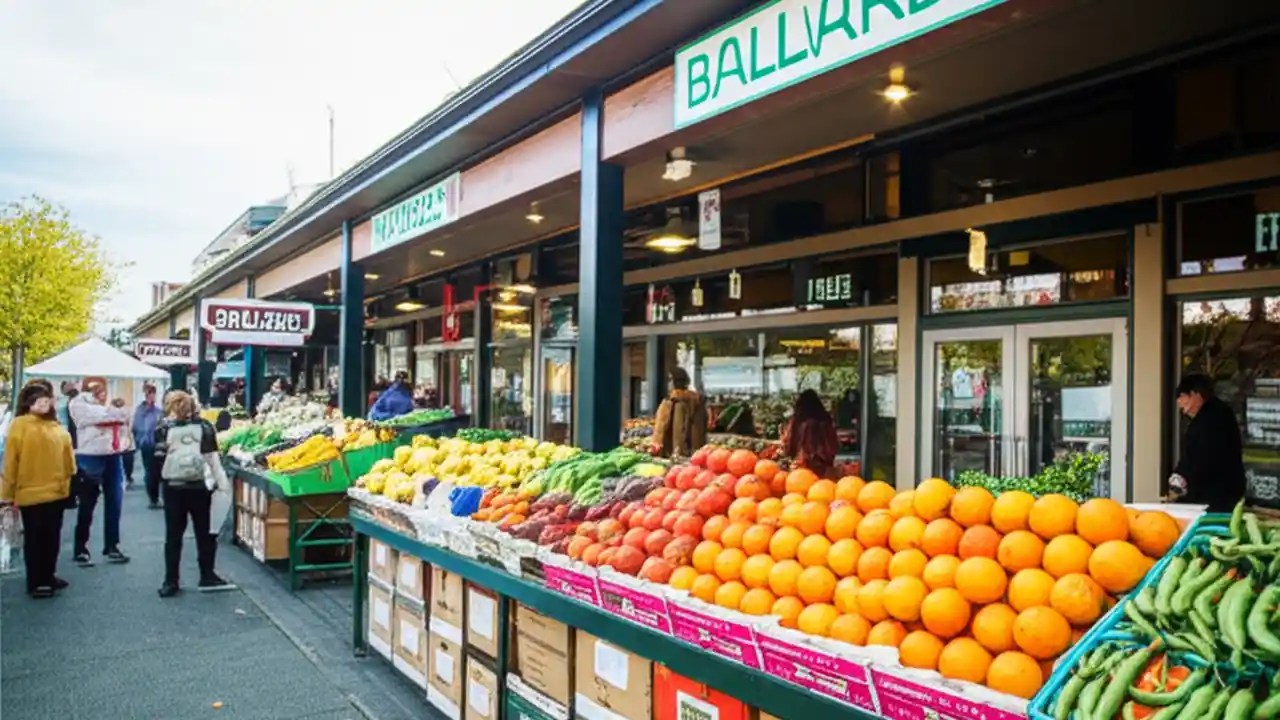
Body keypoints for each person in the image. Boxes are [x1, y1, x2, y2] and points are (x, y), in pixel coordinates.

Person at [152, 390, 234, 597]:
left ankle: (171, 581)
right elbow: (213, 460)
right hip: (199, 487)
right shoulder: (205, 427)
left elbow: (157, 459)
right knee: (205, 533)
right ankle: (207, 575)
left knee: (173, 535)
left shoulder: (162, 428)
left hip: (173, 487)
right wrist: (223, 486)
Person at [2, 381, 76, 597]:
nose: (45, 403)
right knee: (38, 539)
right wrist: (6, 495)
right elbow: (11, 462)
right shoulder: (22, 425)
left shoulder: (53, 425)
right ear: (29, 403)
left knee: (49, 538)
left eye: (46, 400)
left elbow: (68, 458)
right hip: (35, 492)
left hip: (52, 491)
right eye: (39, 400)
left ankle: (46, 576)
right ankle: (37, 580)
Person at [68, 378, 131, 566]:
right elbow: (86, 419)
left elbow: (125, 418)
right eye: (95, 387)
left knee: (115, 501)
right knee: (88, 502)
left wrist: (115, 414)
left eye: (102, 387)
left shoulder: (107, 404)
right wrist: (114, 414)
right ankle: (81, 547)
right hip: (90, 454)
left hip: (112, 453)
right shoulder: (79, 402)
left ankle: (112, 545)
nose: (100, 391)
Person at [1170, 374, 1247, 513]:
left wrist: (1181, 478)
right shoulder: (1218, 413)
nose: (1179, 402)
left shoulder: (1209, 419)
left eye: (1181, 396)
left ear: (1195, 394)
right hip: (1223, 491)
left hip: (1213, 496)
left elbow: (1199, 457)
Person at [781, 389, 840, 478]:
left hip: (800, 471)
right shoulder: (825, 421)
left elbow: (788, 446)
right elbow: (833, 447)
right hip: (824, 472)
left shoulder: (797, 421)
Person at [652, 368, 708, 458]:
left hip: (675, 451)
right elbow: (704, 425)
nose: (668, 383)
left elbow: (661, 427)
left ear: (675, 381)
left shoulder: (671, 402)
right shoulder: (698, 400)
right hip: (697, 452)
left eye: (670, 379)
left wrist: (656, 444)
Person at [132, 383, 164, 509]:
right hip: (147, 444)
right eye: (149, 394)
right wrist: (140, 440)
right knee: (150, 471)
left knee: (156, 472)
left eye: (153, 394)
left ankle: (156, 497)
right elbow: (138, 427)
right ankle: (153, 498)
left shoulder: (158, 411)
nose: (151, 397)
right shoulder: (141, 411)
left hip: (157, 444)